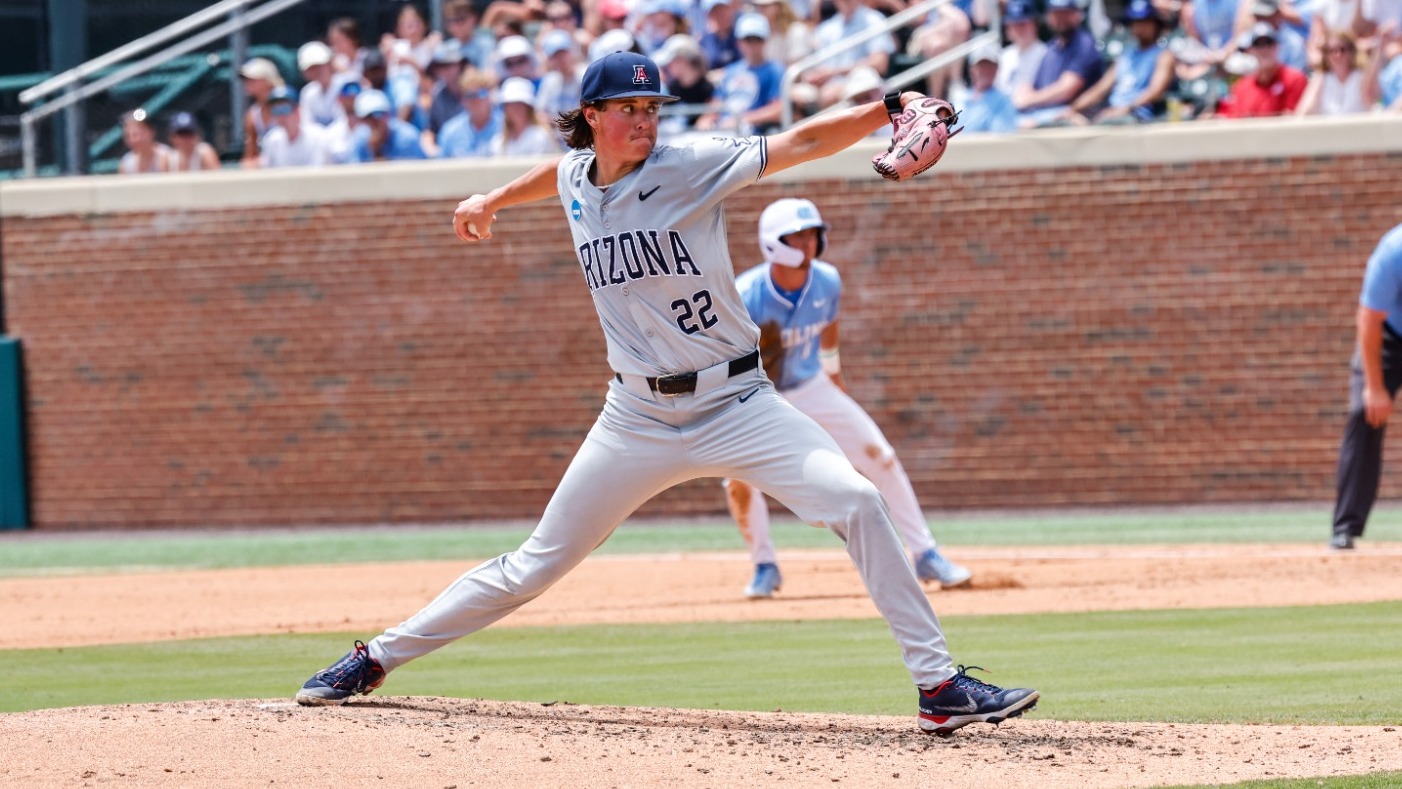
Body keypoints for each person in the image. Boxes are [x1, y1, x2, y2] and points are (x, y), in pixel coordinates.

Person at [295, 50, 1040, 737]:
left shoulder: (688, 165)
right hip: (636, 416)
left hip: (739, 403)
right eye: (629, 108)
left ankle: (938, 687)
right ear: (592, 116)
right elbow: (552, 176)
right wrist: (490, 197)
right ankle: (376, 657)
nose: (645, 121)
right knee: (535, 564)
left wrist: (890, 106)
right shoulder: (575, 178)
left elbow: (801, 142)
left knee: (857, 500)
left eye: (653, 109)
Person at [722, 198, 975, 600]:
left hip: (811, 385)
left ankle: (926, 553)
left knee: (880, 455)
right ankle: (764, 565)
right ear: (774, 242)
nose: (808, 243)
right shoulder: (746, 294)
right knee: (738, 480)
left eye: (812, 234)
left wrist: (834, 374)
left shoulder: (827, 280)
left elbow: (829, 326)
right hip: (759, 395)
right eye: (798, 236)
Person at [1331, 223, 1402, 550]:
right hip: (1388, 337)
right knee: (1364, 414)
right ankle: (1346, 527)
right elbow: (1370, 319)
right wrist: (1374, 388)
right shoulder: (1393, 252)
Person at [1065, 0, 1178, 124]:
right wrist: (1072, 109)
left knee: (1113, 122)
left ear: (1156, 24)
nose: (1139, 27)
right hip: (1114, 112)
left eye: (1145, 22)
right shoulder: (1126, 55)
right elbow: (1101, 88)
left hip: (1139, 115)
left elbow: (1155, 91)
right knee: (1072, 122)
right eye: (1135, 22)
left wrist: (1127, 108)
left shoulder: (1164, 55)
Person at [1014, 0, 1107, 127]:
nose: (1060, 19)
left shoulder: (1084, 45)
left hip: (1074, 114)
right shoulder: (1051, 47)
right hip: (1045, 112)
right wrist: (1021, 96)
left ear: (1077, 15)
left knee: (1025, 124)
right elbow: (1033, 84)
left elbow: (1066, 89)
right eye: (1056, 14)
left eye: (1065, 13)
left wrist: (1029, 100)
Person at [696, 12, 784, 133]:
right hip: (724, 130)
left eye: (757, 39)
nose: (752, 45)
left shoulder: (775, 70)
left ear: (765, 41)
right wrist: (707, 118)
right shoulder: (730, 71)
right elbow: (717, 103)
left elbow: (778, 109)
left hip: (754, 135)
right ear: (739, 42)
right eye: (748, 39)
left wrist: (742, 119)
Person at [806, 0, 897, 108]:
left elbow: (880, 64)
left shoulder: (873, 19)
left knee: (829, 94)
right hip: (831, 88)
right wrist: (816, 76)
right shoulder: (826, 29)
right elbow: (819, 69)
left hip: (863, 82)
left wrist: (834, 72)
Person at [1215, 23, 1308, 116]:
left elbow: (1295, 120)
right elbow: (1233, 121)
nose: (1264, 49)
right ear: (1249, 50)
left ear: (1277, 47)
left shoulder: (1294, 79)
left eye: (1269, 43)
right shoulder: (1242, 87)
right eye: (1258, 44)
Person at [1296, 28, 1372, 113]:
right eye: (1331, 50)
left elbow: (1372, 99)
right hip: (1327, 126)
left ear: (1352, 51)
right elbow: (1304, 111)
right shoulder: (1320, 77)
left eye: (1342, 49)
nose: (1337, 55)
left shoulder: (1362, 76)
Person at [259, 86, 335, 168]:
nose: (281, 116)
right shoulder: (272, 140)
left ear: (298, 111)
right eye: (276, 110)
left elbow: (317, 175)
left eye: (285, 109)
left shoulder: (317, 137)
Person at [437, 67, 504, 158]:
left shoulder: (506, 127)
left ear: (490, 95)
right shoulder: (450, 131)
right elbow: (441, 167)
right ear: (463, 99)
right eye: (470, 95)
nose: (476, 100)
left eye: (481, 93)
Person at [349, 88, 428, 162]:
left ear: (388, 114)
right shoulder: (359, 138)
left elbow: (407, 174)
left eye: (378, 114)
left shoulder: (407, 138)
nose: (375, 121)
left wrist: (377, 151)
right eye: (368, 117)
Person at [491, 77, 561, 155]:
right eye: (510, 104)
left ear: (528, 107)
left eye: (520, 103)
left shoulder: (541, 137)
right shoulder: (498, 142)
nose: (515, 108)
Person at [959, 44, 1020, 133]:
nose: (986, 70)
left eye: (989, 66)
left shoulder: (1004, 100)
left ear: (997, 69)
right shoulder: (959, 98)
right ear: (972, 69)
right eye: (981, 66)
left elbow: (1000, 136)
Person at [996, 0, 1048, 99]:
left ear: (1035, 24)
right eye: (1014, 25)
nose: (1019, 29)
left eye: (1023, 24)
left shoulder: (1045, 54)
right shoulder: (1005, 55)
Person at [238, 57, 284, 168]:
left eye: (253, 79)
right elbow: (250, 154)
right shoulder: (252, 115)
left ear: (268, 80)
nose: (247, 82)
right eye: (246, 79)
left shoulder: (286, 105)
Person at [297, 41, 344, 127]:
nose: (317, 71)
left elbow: (346, 122)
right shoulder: (307, 93)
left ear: (329, 63)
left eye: (320, 65)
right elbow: (307, 125)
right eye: (311, 68)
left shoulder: (346, 85)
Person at [117, 109, 169, 174]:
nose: (134, 140)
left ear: (151, 131)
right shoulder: (126, 163)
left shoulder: (168, 157)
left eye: (138, 134)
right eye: (128, 136)